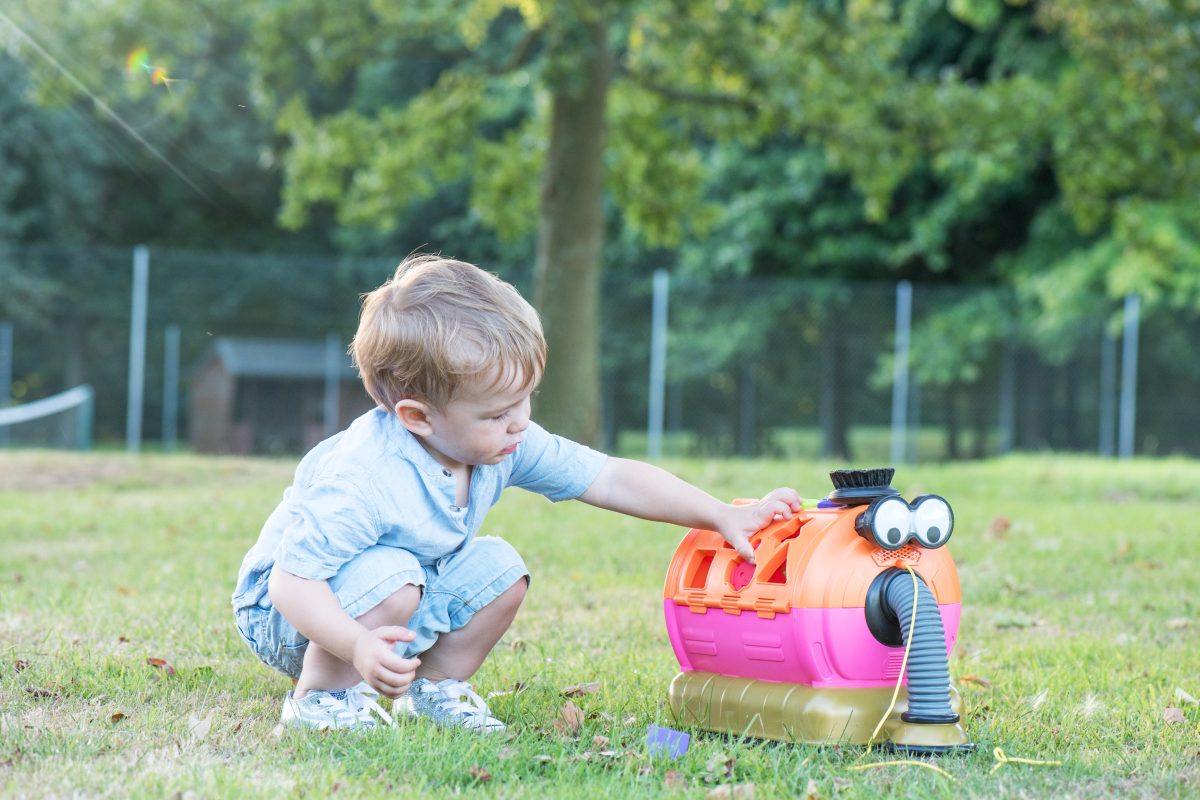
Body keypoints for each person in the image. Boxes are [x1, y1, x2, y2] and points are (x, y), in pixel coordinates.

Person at [231, 254, 801, 732]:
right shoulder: (365, 478)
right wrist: (356, 646)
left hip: (388, 602)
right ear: (418, 417)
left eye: (525, 400)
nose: (519, 423)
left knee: (500, 567)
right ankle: (319, 701)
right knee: (397, 572)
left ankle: (433, 691)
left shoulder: (500, 443)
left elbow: (610, 477)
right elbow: (291, 581)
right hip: (294, 618)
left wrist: (721, 514)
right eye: (498, 412)